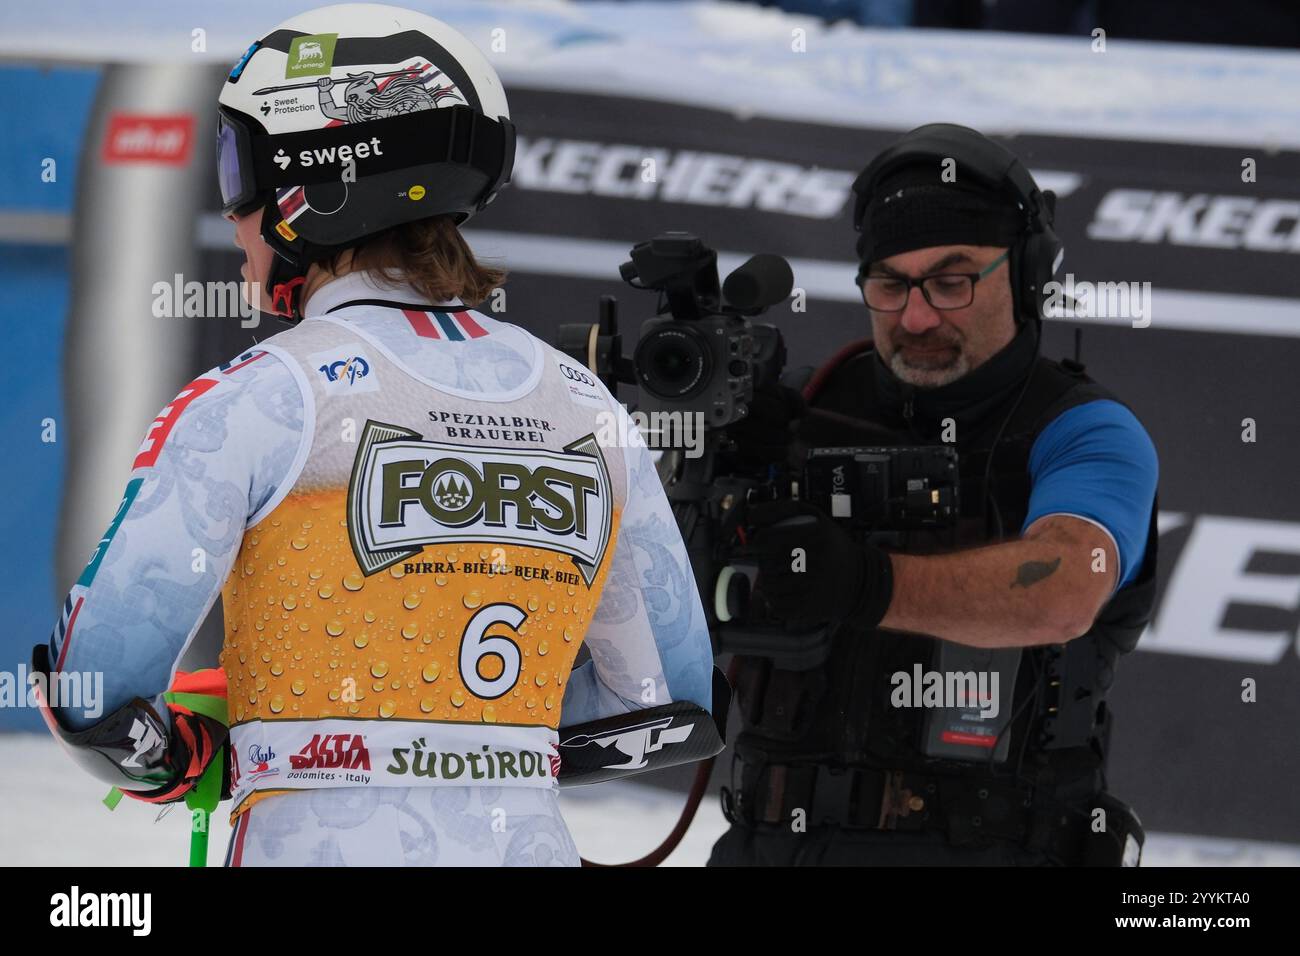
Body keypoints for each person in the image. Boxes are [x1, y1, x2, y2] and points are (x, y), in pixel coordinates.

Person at [34, 3, 718, 867]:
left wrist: (227, 747)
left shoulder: (261, 397)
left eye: (241, 164)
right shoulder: (588, 406)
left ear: (308, 182)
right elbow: (666, 709)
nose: (235, 211)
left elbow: (93, 696)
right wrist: (487, 743)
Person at [710, 123, 1159, 866]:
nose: (916, 318)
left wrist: (862, 583)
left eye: (952, 283)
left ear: (1026, 277)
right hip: (767, 842)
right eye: (889, 284)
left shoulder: (1087, 432)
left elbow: (1065, 590)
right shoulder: (796, 412)